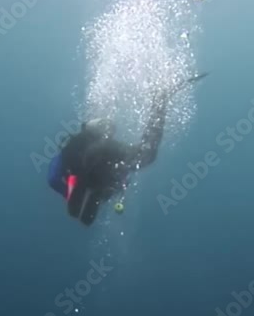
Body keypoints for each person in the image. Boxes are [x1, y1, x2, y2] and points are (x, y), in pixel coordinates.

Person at [47, 74, 208, 226]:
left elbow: (54, 178)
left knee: (143, 156)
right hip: (103, 158)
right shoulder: (82, 174)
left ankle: (160, 98)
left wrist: (67, 192)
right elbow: (56, 179)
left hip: (99, 158)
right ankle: (160, 99)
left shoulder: (73, 162)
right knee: (145, 155)